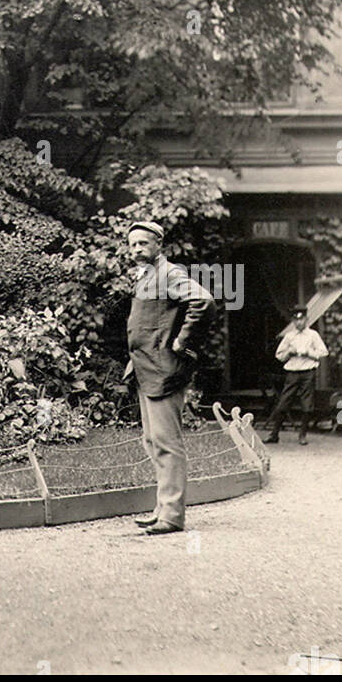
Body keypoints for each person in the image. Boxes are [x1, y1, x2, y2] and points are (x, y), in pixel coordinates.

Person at [124, 220, 215, 535]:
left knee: (167, 442)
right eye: (133, 244)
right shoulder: (147, 276)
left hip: (163, 369)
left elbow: (202, 300)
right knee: (152, 441)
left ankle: (172, 516)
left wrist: (182, 340)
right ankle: (163, 508)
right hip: (145, 367)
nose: (137, 250)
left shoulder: (170, 273)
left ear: (158, 245)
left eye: (143, 244)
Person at [265, 305, 328, 445]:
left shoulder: (313, 335)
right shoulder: (289, 336)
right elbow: (279, 356)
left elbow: (324, 352)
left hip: (307, 373)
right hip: (292, 373)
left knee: (307, 405)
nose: (299, 322)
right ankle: (274, 435)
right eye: (296, 320)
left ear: (306, 319)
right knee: (283, 403)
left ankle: (302, 435)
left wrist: (309, 353)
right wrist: (289, 352)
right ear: (293, 321)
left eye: (301, 319)